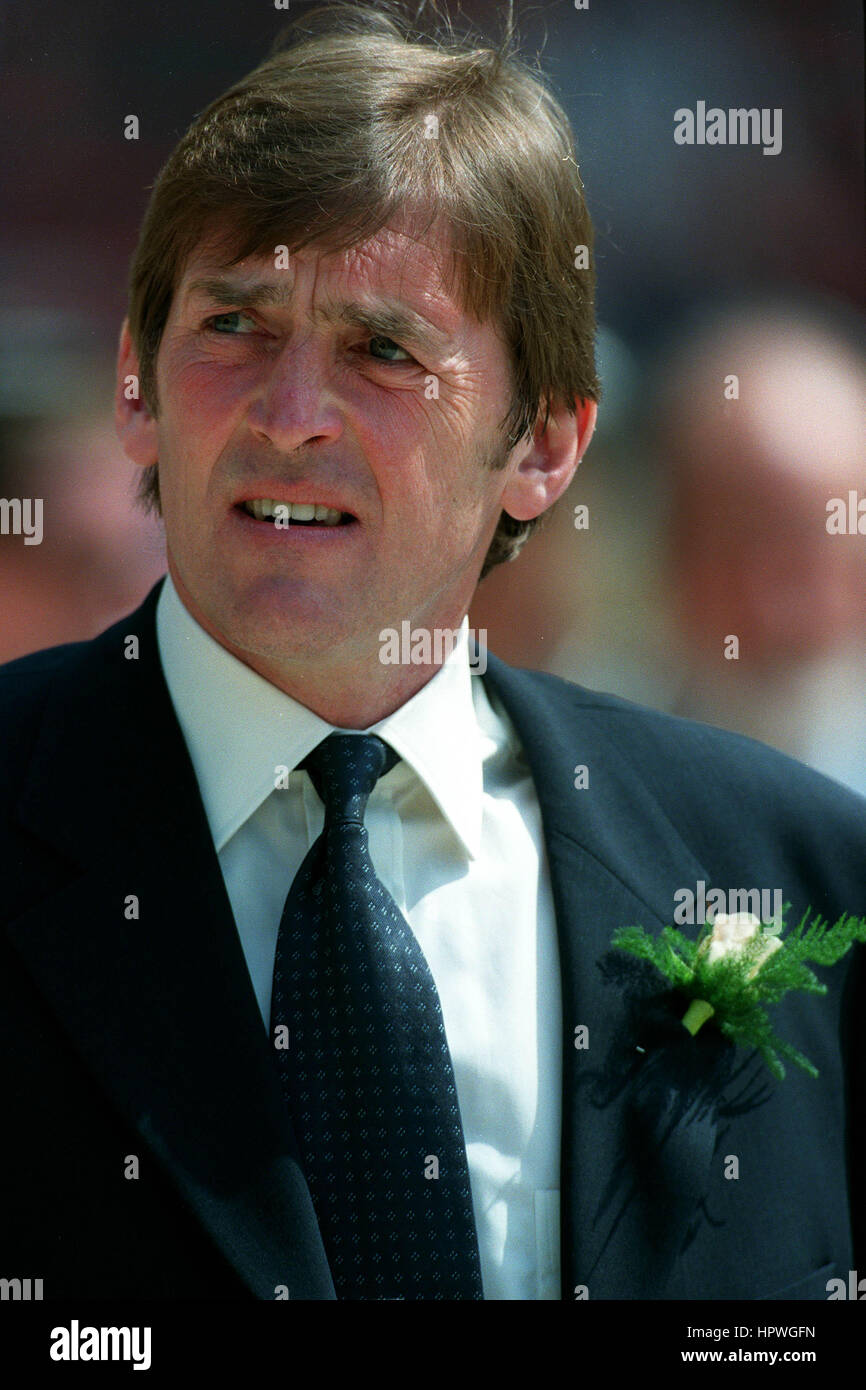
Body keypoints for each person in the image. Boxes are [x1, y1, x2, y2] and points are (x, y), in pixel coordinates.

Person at [1, 3, 864, 1302]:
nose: (289, 418)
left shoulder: (786, 868)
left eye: (381, 350)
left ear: (543, 447)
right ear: (135, 384)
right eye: (233, 326)